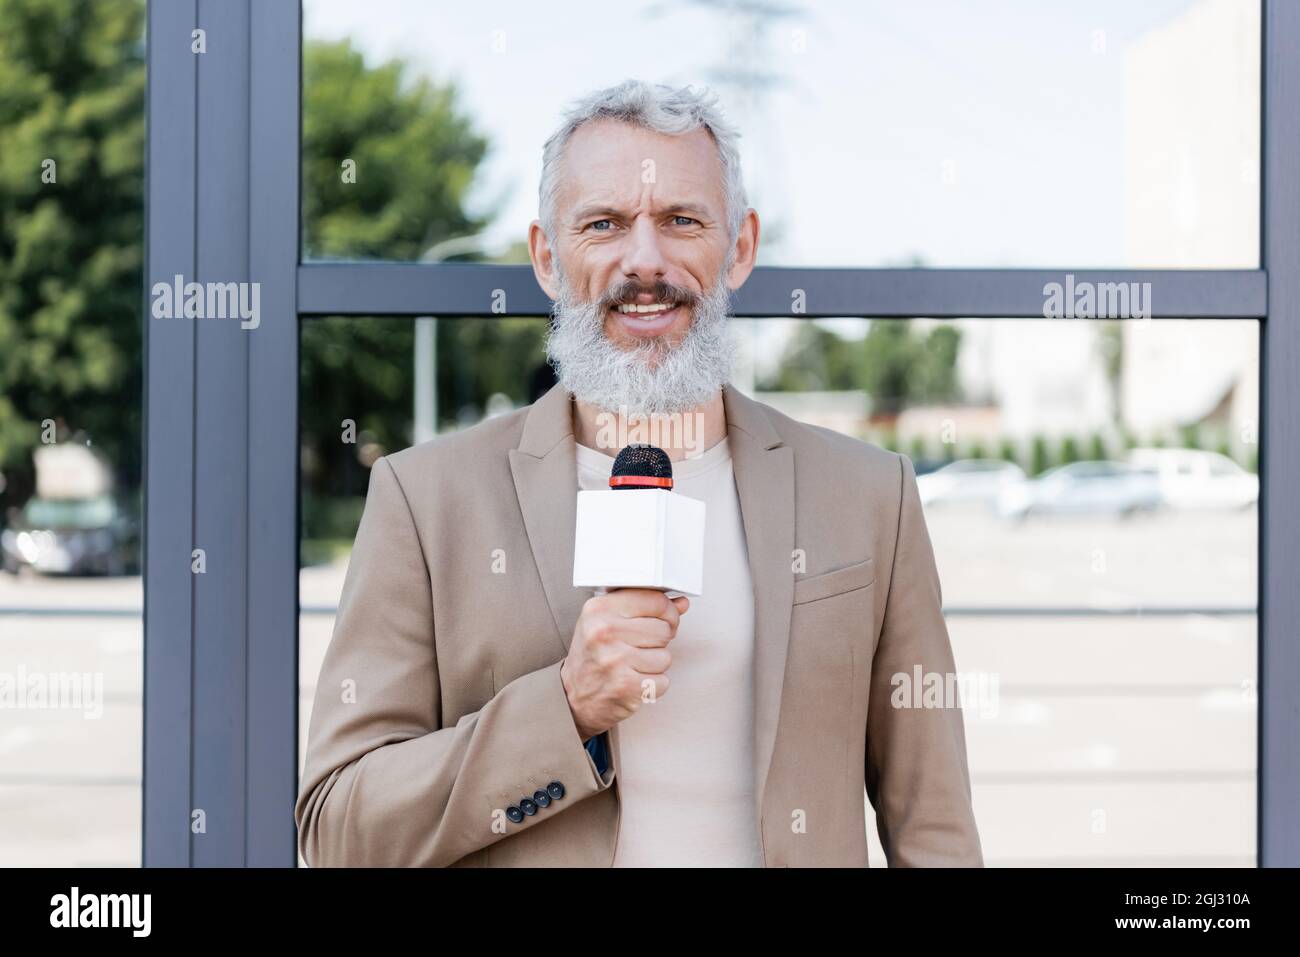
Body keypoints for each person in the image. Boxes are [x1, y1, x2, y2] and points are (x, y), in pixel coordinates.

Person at [295, 79, 983, 867]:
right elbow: (339, 827)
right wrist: (566, 705)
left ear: (741, 247)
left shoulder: (869, 496)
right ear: (548, 257)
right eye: (604, 224)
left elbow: (934, 828)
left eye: (682, 221)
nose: (645, 262)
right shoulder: (427, 500)